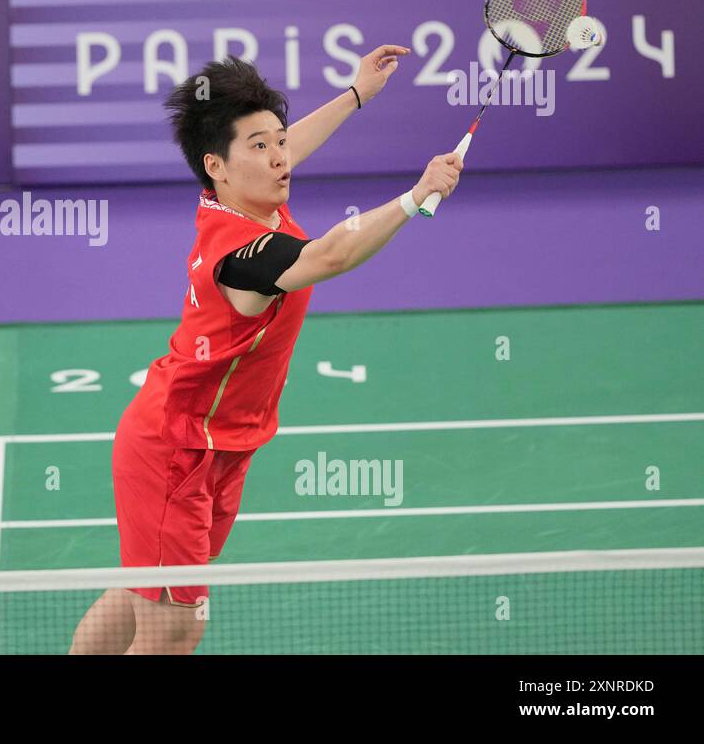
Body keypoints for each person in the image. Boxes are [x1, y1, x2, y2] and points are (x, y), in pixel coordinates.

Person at [69, 48, 463, 653]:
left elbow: (286, 149)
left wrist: (357, 94)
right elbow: (330, 256)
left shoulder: (241, 193)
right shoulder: (241, 255)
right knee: (176, 627)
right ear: (216, 165)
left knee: (141, 591)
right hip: (178, 452)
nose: (280, 157)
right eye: (259, 146)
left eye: (278, 140)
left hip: (219, 446)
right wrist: (416, 196)